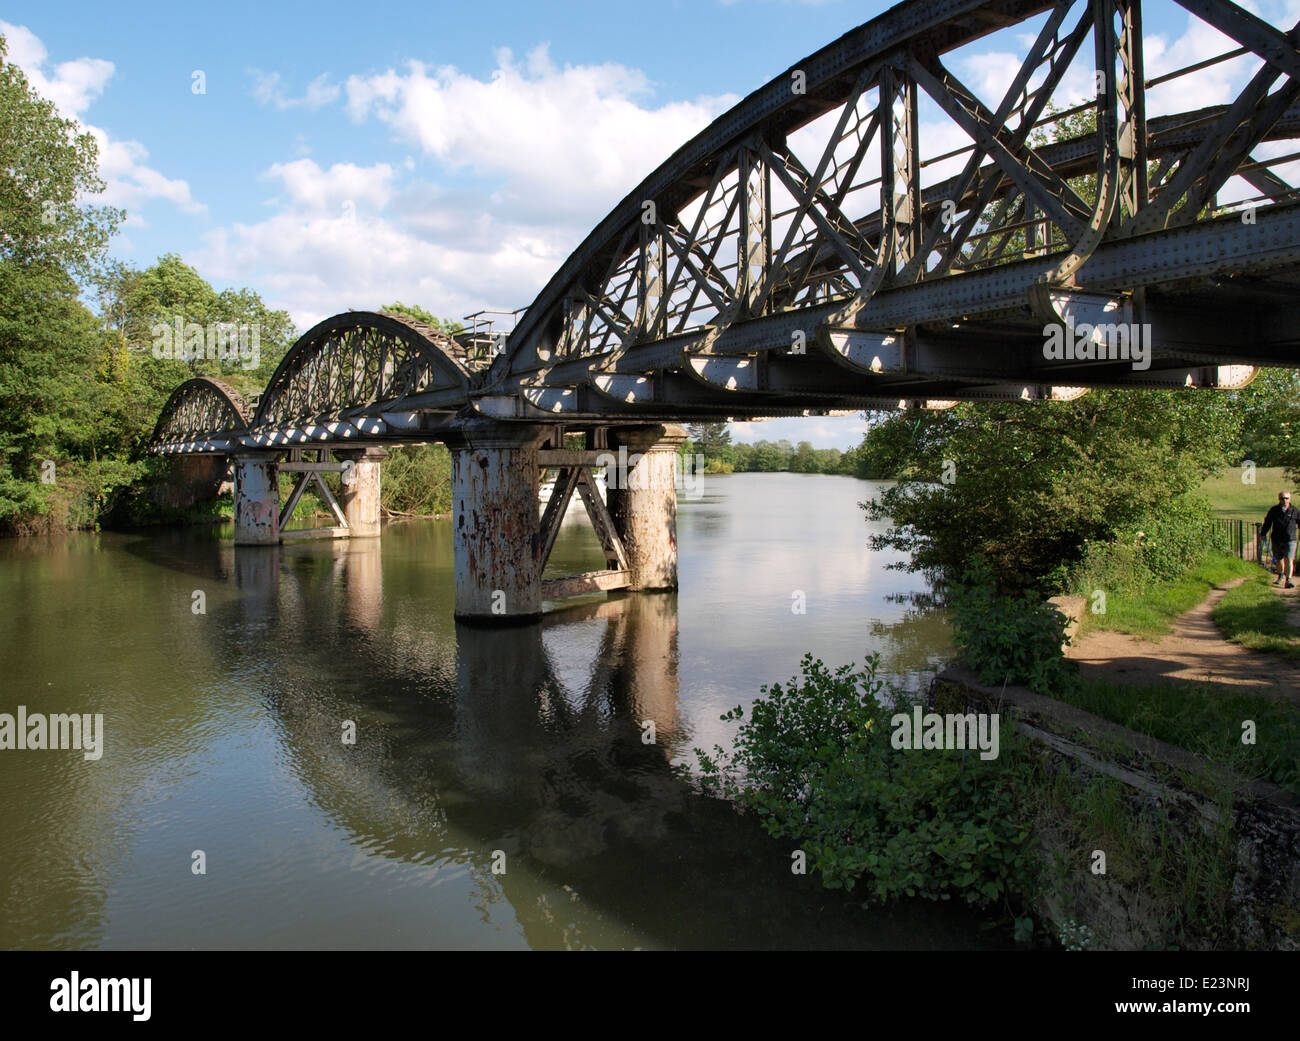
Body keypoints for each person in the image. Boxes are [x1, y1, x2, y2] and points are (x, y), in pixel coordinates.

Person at [1261, 490, 1300, 588]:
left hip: (1290, 539)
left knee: (1289, 559)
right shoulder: (1274, 510)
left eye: (1286, 498)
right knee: (1279, 559)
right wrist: (1263, 533)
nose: (1285, 500)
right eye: (1282, 498)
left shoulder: (1295, 510)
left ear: (1290, 499)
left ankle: (1289, 580)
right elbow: (1268, 522)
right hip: (1277, 538)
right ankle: (1281, 575)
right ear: (1279, 499)